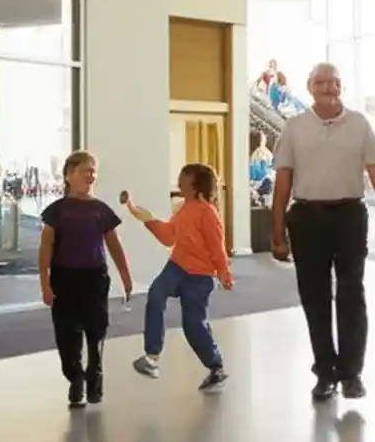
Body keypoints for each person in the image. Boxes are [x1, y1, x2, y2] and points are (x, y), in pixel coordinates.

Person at [271, 63, 375, 402]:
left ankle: (351, 374)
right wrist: (277, 233)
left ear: (341, 86)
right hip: (306, 218)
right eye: (322, 83)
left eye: (335, 82)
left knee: (351, 295)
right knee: (315, 300)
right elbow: (282, 182)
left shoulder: (358, 123)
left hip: (349, 217)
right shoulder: (295, 127)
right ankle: (324, 372)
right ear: (310, 87)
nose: (329, 88)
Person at [124, 163, 233, 392]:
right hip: (177, 266)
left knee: (193, 326)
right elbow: (168, 237)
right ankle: (152, 356)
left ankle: (216, 366)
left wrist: (223, 272)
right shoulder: (184, 208)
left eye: (183, 179)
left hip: (200, 277)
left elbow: (217, 246)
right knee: (156, 293)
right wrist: (135, 210)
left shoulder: (208, 212)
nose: (179, 182)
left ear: (194, 184)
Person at [39, 150, 133, 408]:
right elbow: (46, 248)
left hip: (94, 277)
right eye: (84, 171)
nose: (90, 176)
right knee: (67, 333)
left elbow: (114, 245)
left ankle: (95, 375)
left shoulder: (100, 211)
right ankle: (75, 379)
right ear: (69, 175)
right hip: (65, 278)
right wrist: (45, 283)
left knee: (96, 330)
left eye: (93, 171)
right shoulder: (56, 212)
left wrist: (125, 276)